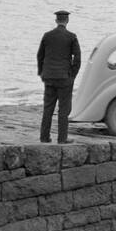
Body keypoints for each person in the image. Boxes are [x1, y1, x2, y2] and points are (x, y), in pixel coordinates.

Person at [37, 9, 82, 144]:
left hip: (49, 77)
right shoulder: (71, 37)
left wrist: (41, 72)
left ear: (56, 21)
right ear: (67, 21)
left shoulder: (47, 36)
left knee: (48, 108)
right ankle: (62, 138)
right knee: (64, 109)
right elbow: (77, 59)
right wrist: (72, 75)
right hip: (64, 78)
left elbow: (40, 56)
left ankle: (44, 137)